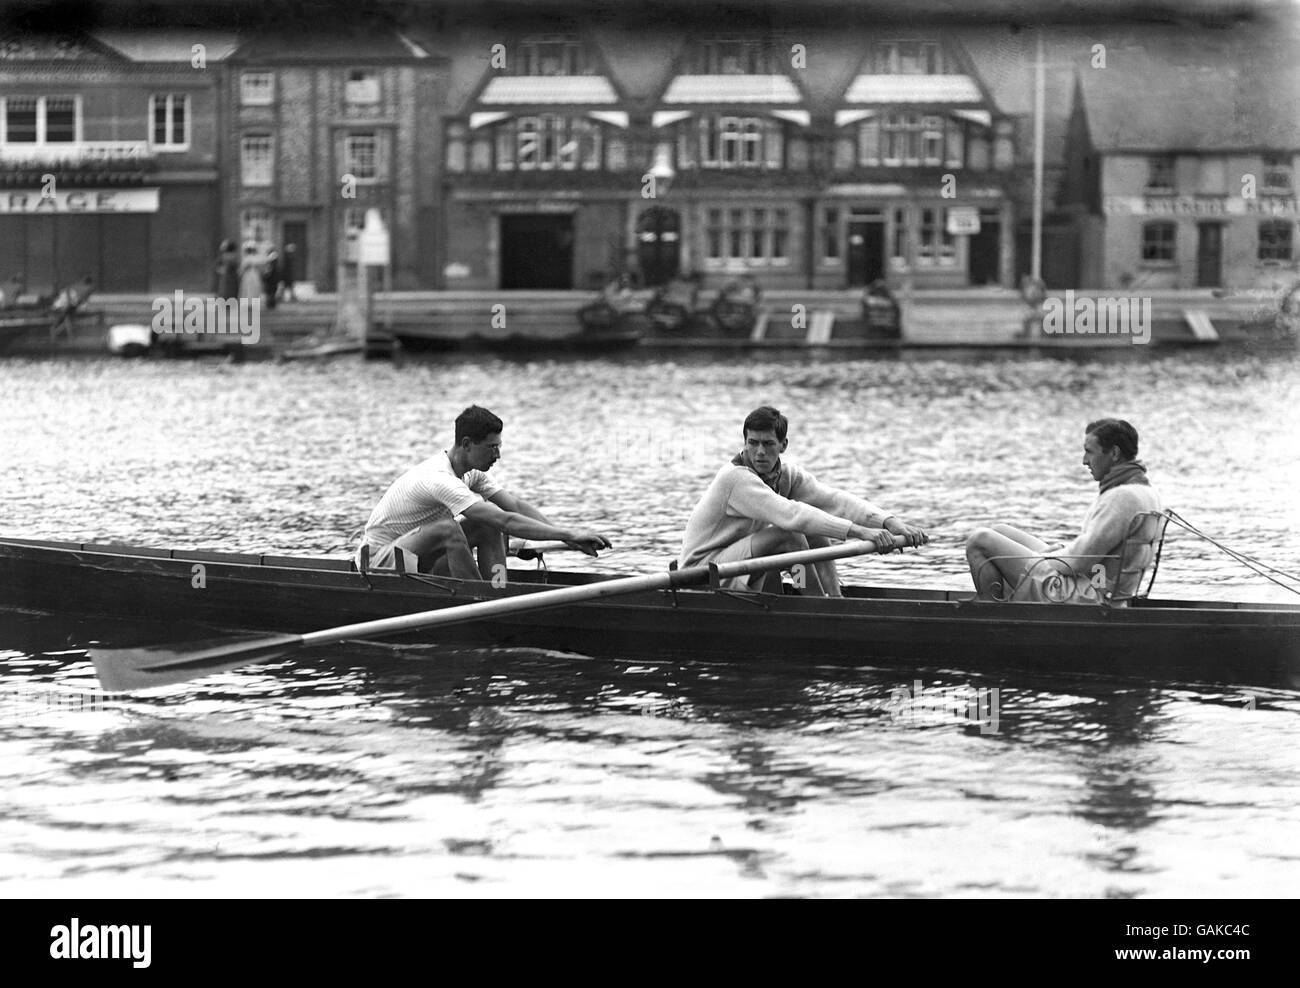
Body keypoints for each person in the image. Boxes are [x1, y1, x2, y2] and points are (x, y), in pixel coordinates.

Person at [679, 405, 928, 595]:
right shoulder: (735, 479)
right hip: (701, 574)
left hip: (737, 564)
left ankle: (833, 599)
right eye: (752, 443)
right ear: (744, 443)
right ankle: (816, 607)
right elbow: (792, 515)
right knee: (791, 535)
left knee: (816, 532)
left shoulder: (787, 476)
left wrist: (888, 522)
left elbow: (835, 500)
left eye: (768, 444)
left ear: (783, 445)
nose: (760, 452)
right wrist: (862, 533)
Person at [356, 405, 612, 580]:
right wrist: (568, 534)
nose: (498, 455)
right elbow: (506, 520)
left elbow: (514, 507)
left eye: (499, 447)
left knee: (489, 526)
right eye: (492, 448)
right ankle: (478, 602)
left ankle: (497, 589)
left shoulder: (472, 473)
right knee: (451, 527)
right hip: (379, 562)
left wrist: (570, 538)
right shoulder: (439, 478)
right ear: (467, 444)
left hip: (415, 556)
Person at [964, 418, 1163, 603]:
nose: (1084, 461)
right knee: (1001, 531)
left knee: (980, 540)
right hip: (1097, 584)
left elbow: (1078, 562)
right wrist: (1053, 552)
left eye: (1090, 452)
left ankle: (990, 615)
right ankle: (1006, 600)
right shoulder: (1144, 490)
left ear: (1114, 453)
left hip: (1085, 594)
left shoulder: (1121, 498)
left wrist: (1044, 558)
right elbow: (1094, 552)